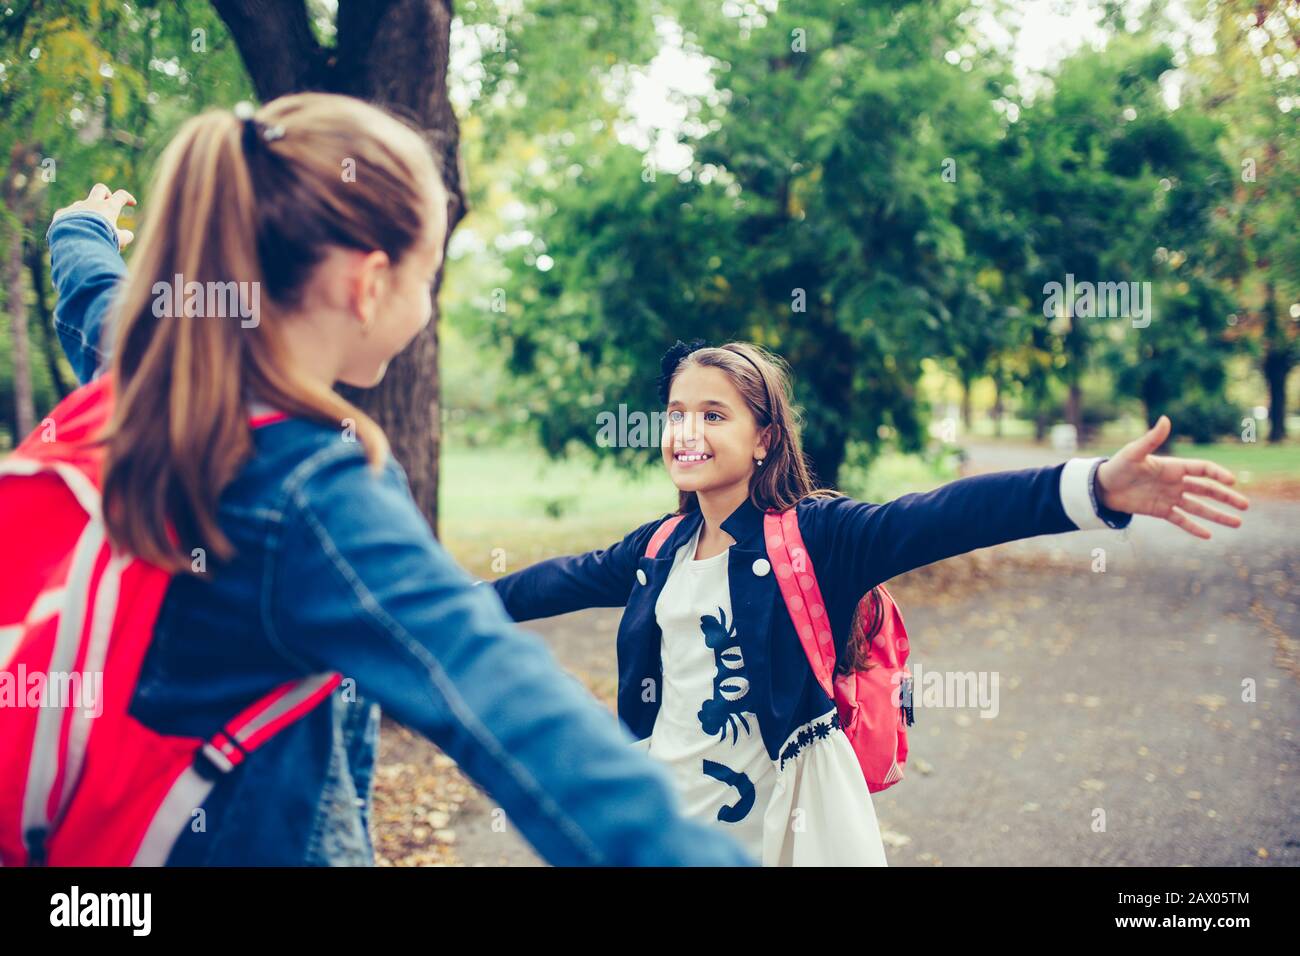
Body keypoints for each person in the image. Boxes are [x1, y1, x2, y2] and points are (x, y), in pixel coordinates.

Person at [32, 93, 755, 866]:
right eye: (427, 274)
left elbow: (97, 302)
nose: (427, 300)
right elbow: (502, 701)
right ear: (371, 284)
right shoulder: (312, 487)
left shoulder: (154, 385)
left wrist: (79, 230)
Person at [491, 340, 1249, 865]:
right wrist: (447, 603)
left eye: (714, 414)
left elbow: (945, 516)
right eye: (677, 412)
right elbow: (554, 581)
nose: (688, 430)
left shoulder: (816, 537)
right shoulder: (658, 550)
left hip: (779, 836)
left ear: (764, 439)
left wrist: (1091, 488)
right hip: (668, 826)